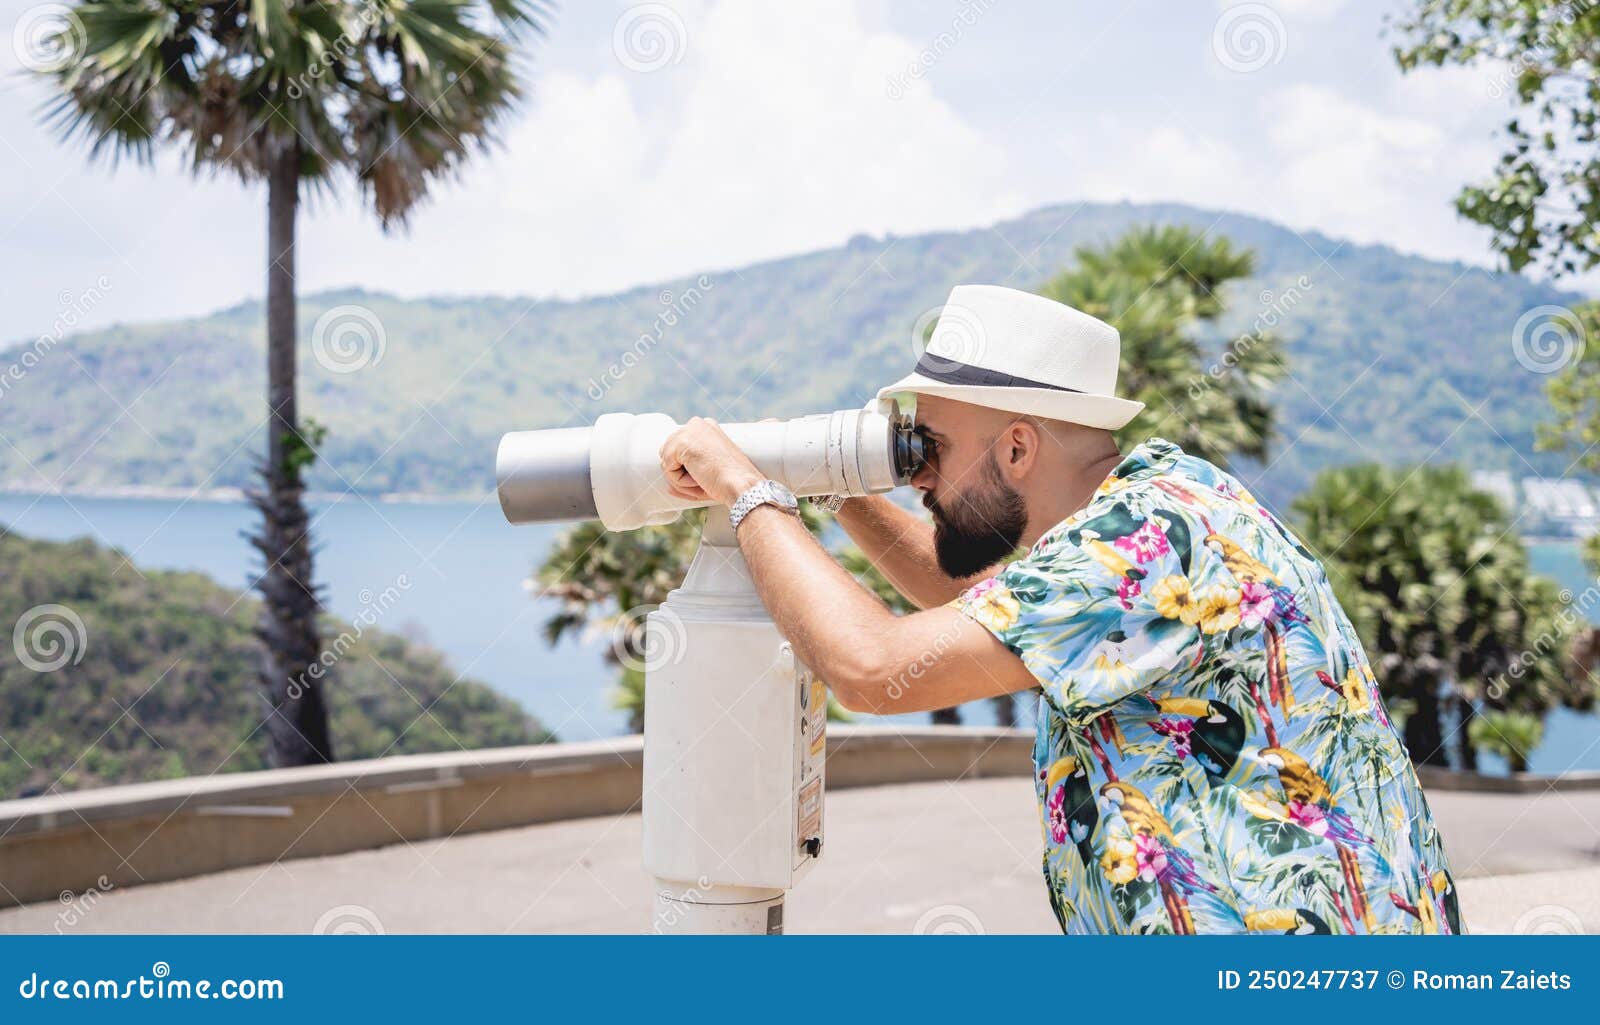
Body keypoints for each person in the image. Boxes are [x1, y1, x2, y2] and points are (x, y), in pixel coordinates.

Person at [657, 284, 1460, 935]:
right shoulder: (1158, 500)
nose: (915, 475)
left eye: (929, 447)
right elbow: (964, 595)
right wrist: (823, 486)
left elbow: (875, 671)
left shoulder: (1142, 538)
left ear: (1016, 447)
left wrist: (745, 491)